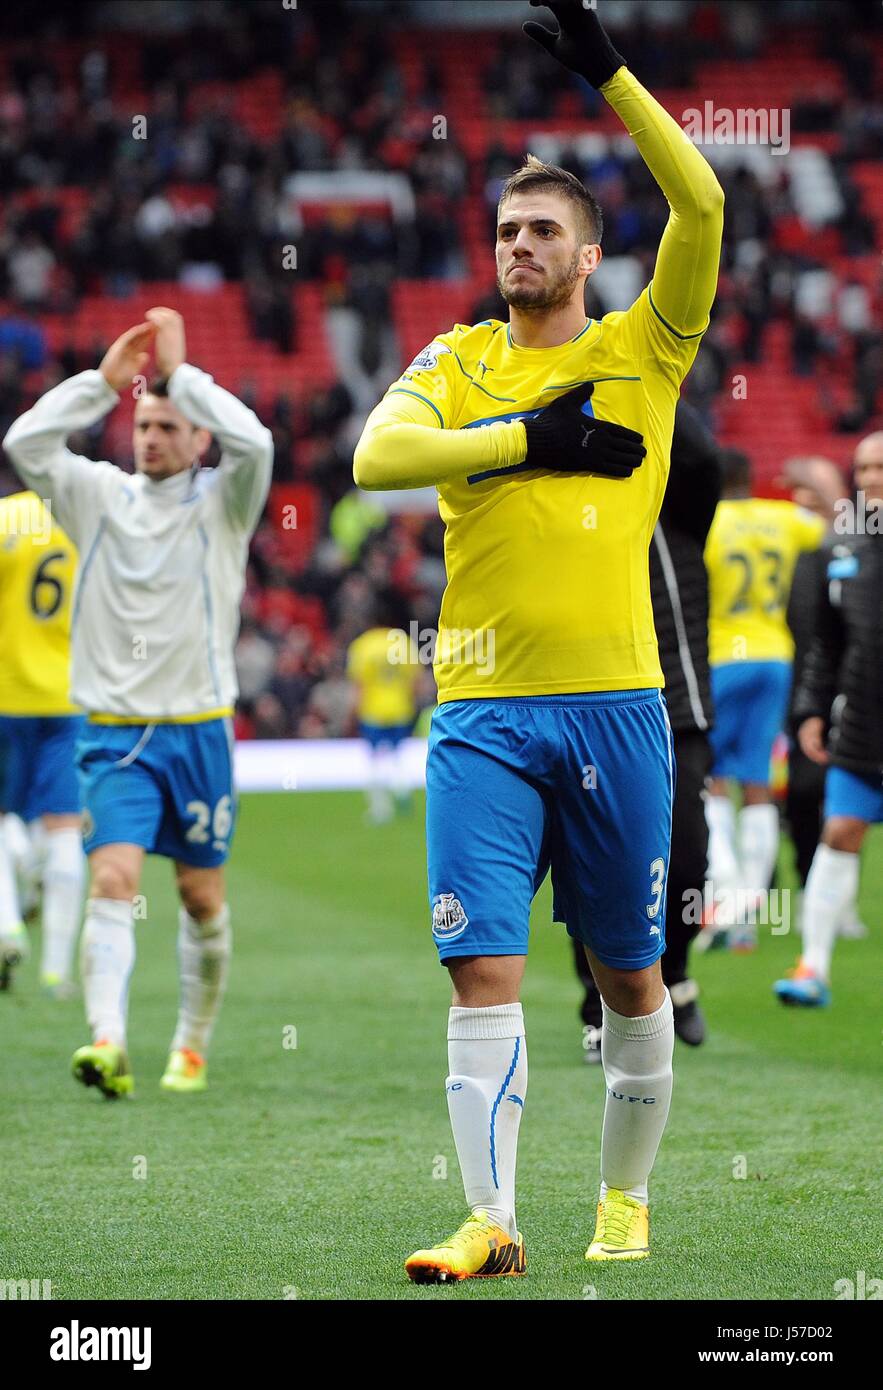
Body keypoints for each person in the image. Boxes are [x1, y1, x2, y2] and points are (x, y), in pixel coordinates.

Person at [354, 0, 723, 1276]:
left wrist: (609, 73)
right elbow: (373, 459)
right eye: (507, 229)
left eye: (543, 230)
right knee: (481, 971)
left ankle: (623, 1200)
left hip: (617, 707)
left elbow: (702, 205)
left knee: (629, 979)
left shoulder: (645, 349)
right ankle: (491, 1219)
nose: (519, 245)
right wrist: (530, 439)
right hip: (481, 714)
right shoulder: (458, 361)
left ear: (588, 255)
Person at [3, 307, 273, 1096]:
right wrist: (100, 383)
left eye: (167, 427)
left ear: (198, 440)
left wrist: (184, 376)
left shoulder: (226, 502)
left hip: (199, 731)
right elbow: (25, 444)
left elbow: (257, 442)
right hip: (113, 734)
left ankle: (190, 1044)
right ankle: (108, 1042)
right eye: (143, 424)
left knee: (199, 897)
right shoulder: (95, 494)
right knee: (113, 879)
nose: (149, 438)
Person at [575, 402, 722, 1057]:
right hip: (595, 710)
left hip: (676, 711)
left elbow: (703, 456)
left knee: (686, 859)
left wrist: (636, 380)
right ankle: (598, 999)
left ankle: (676, 974)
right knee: (592, 862)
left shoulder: (679, 510)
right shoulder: (575, 510)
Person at [776, 431, 883, 1006]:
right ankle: (812, 967)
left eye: (880, 468)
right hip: (862, 724)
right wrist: (811, 710)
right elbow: (824, 643)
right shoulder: (840, 550)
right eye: (863, 469)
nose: (870, 479)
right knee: (839, 832)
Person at [703, 450, 825, 947]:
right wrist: (814, 480)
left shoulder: (707, 521)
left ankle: (725, 894)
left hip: (722, 656)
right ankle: (750, 909)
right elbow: (830, 528)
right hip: (775, 655)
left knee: (710, 777)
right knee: (757, 780)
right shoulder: (783, 518)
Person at [0, 493, 84, 996]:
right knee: (66, 826)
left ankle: (7, 926)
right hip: (69, 696)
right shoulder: (85, 516)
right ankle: (57, 971)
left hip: (6, 694)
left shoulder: (6, 517)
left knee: (3, 816)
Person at [346, 624, 421, 823]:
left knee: (374, 759)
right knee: (397, 754)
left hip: (373, 710)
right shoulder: (403, 642)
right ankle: (402, 790)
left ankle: (380, 807)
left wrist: (354, 710)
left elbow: (359, 682)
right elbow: (415, 679)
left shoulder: (364, 645)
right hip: (400, 709)